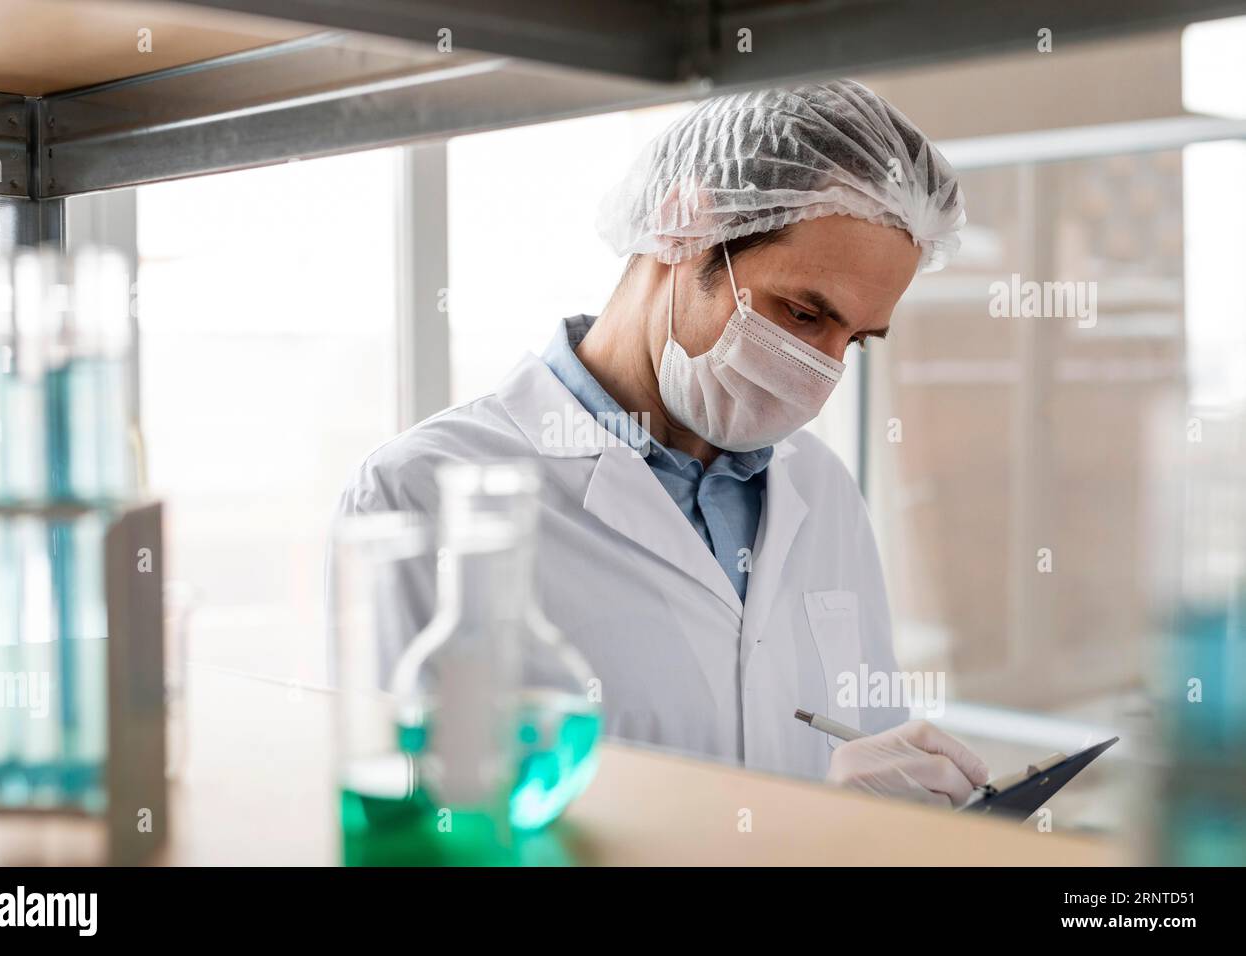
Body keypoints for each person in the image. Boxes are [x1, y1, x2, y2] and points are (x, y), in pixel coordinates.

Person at [337, 81, 988, 808]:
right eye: (804, 314)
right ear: (684, 228)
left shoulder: (822, 487)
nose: (824, 371)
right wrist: (793, 827)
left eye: (856, 341)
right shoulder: (421, 493)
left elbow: (866, 743)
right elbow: (431, 827)